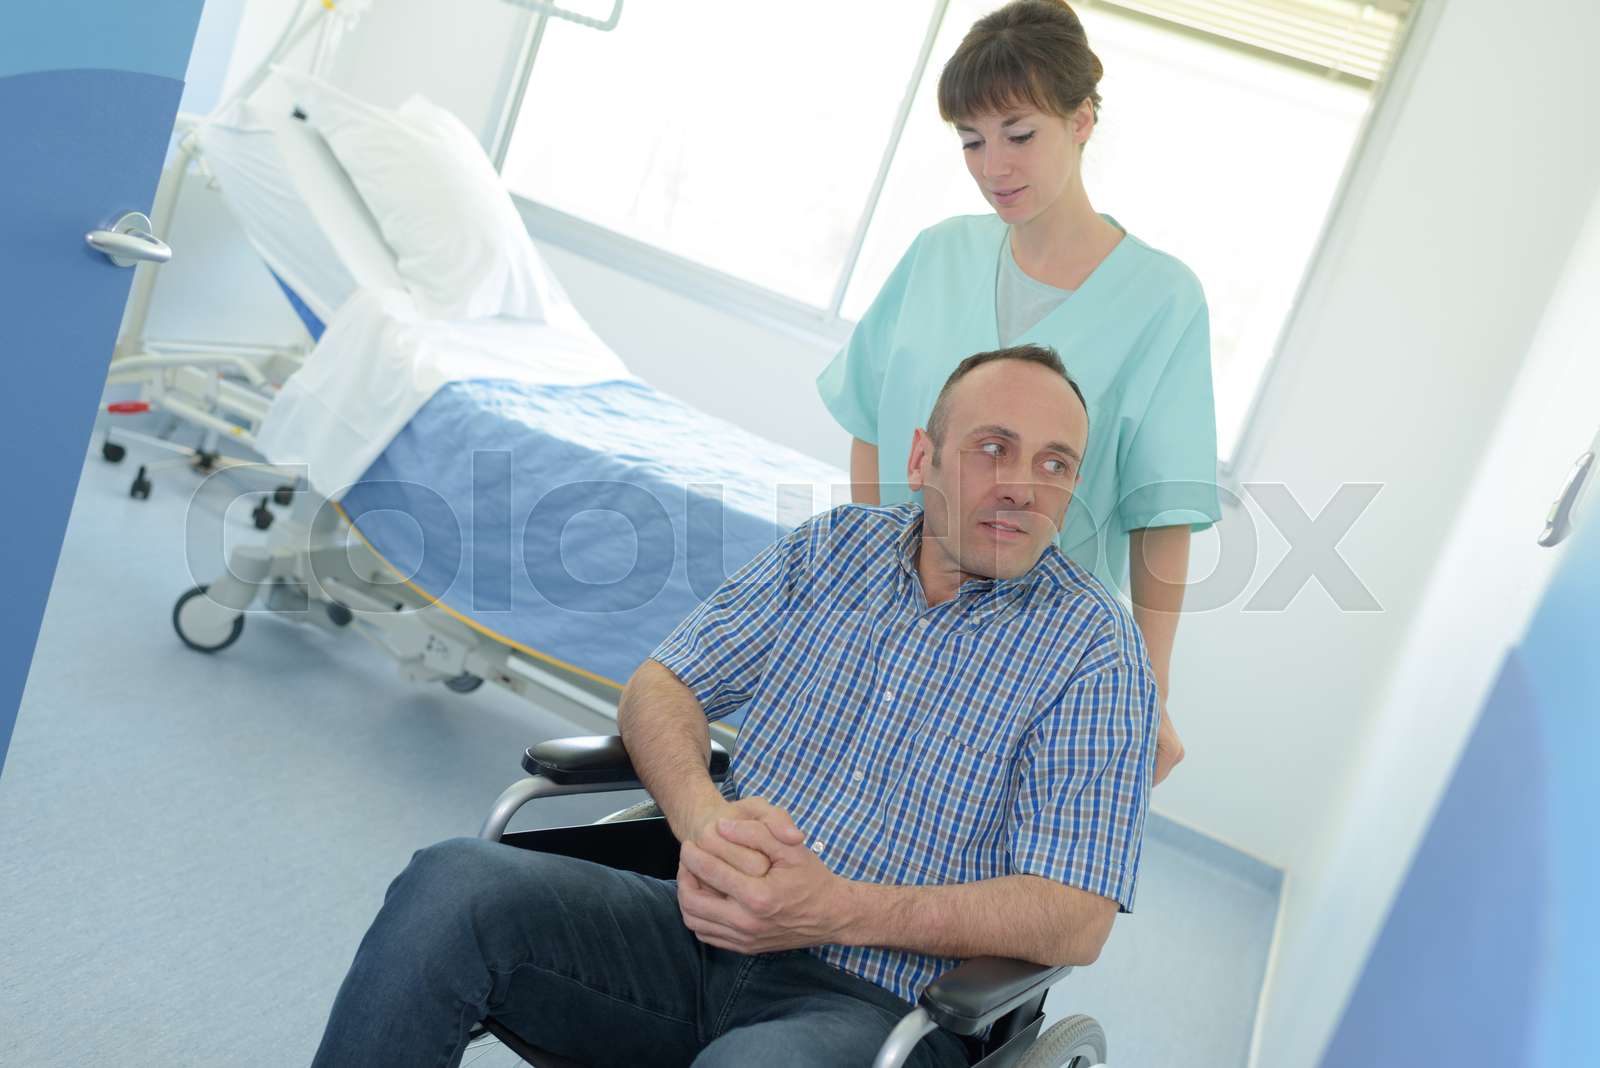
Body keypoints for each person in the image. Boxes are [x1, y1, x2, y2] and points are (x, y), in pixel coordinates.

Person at [310, 345, 1159, 1067]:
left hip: (880, 1007)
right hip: (688, 932)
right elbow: (662, 684)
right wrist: (700, 819)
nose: (1022, 486)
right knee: (451, 884)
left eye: (1055, 464)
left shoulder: (1091, 649)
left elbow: (1074, 916)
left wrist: (839, 908)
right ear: (921, 460)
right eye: (992, 447)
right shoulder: (835, 551)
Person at [817, 0, 1220, 785]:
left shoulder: (1163, 299)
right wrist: (869, 578)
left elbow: (1162, 509)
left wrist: (1150, 683)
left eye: (1019, 134)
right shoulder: (938, 255)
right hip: (896, 609)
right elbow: (869, 417)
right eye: (971, 140)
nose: (993, 166)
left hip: (1030, 646)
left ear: (1082, 121)